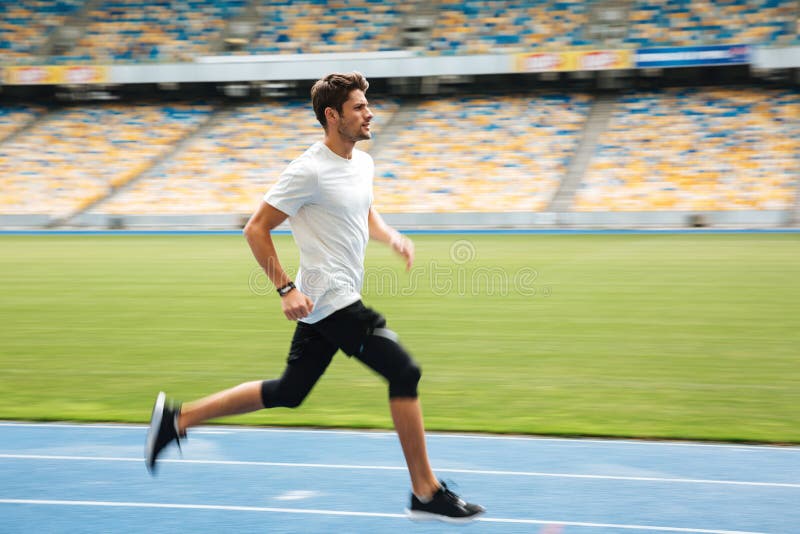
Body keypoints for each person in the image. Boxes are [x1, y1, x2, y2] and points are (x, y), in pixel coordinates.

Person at [145, 72, 485, 522]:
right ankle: (425, 492)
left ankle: (177, 420)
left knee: (290, 392)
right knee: (404, 371)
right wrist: (285, 288)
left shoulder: (361, 162)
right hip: (330, 298)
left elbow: (363, 210)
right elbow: (256, 228)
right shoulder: (307, 169)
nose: (370, 113)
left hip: (327, 304)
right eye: (359, 107)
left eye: (367, 105)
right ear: (333, 116)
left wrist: (390, 237)